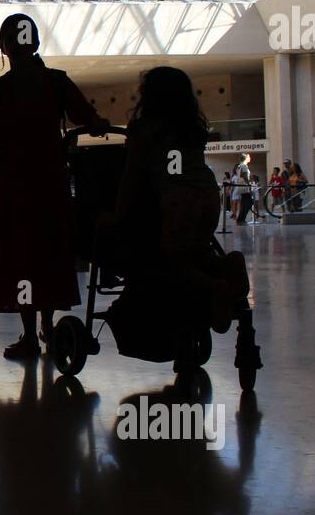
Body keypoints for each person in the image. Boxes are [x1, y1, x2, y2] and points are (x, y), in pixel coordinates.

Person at [0, 13, 110, 360]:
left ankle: (29, 336)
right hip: (50, 188)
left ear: (4, 47)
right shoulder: (57, 83)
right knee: (48, 258)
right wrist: (98, 123)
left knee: (20, 262)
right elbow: (87, 117)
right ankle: (47, 328)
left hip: (12, 191)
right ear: (35, 43)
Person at [100, 65, 248, 331]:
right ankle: (226, 263)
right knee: (193, 252)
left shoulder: (145, 129)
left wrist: (119, 215)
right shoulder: (193, 127)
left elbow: (132, 176)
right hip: (206, 194)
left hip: (177, 198)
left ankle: (216, 288)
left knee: (167, 262)